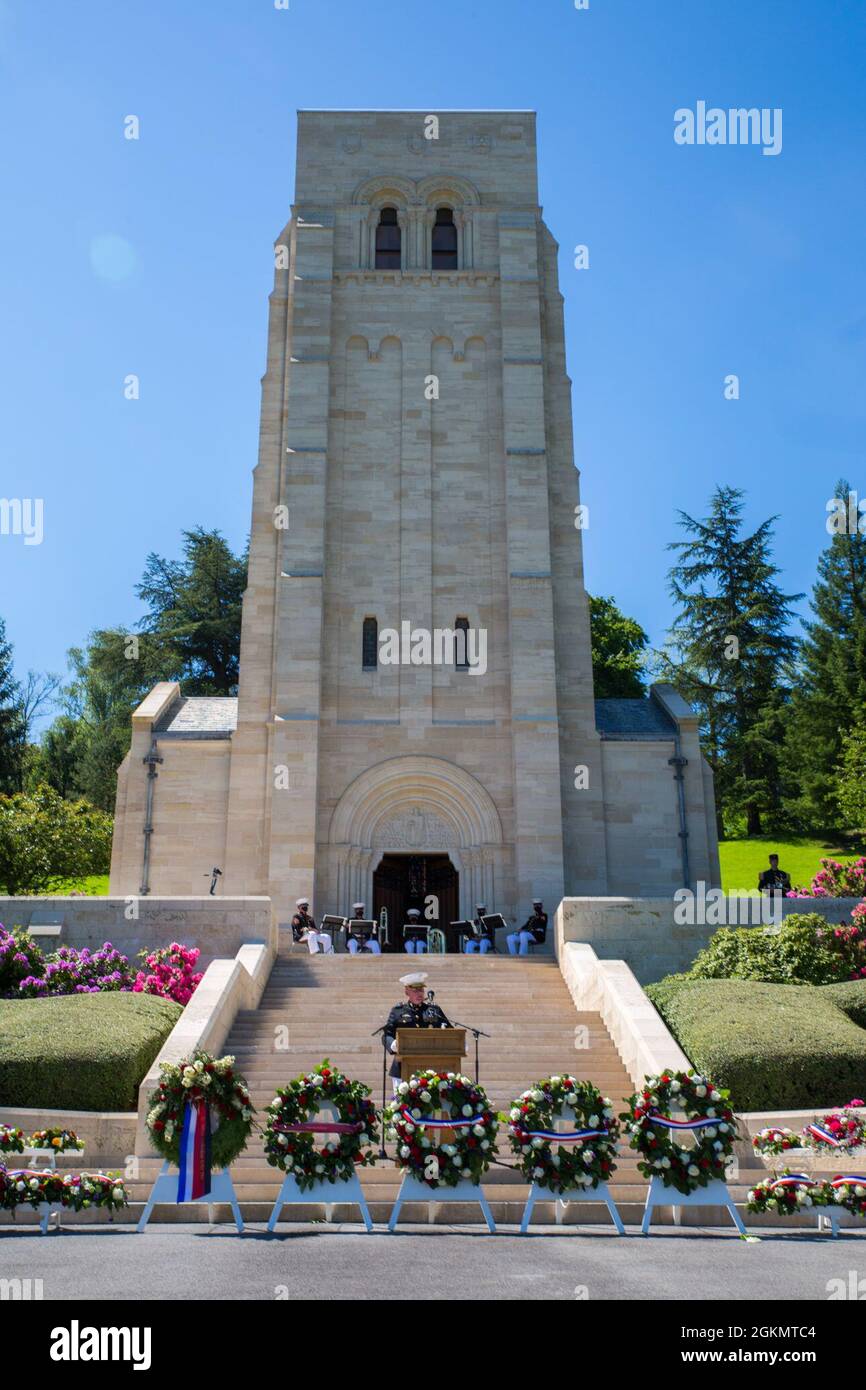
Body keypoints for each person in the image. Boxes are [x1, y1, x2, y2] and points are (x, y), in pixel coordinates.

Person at [382, 972, 451, 1085]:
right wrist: (392, 1044)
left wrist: (460, 1042)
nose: (419, 994)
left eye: (421, 990)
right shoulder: (398, 1011)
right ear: (407, 992)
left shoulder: (433, 1010)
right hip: (402, 1068)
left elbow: (449, 1030)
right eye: (415, 991)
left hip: (431, 1069)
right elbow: (386, 1035)